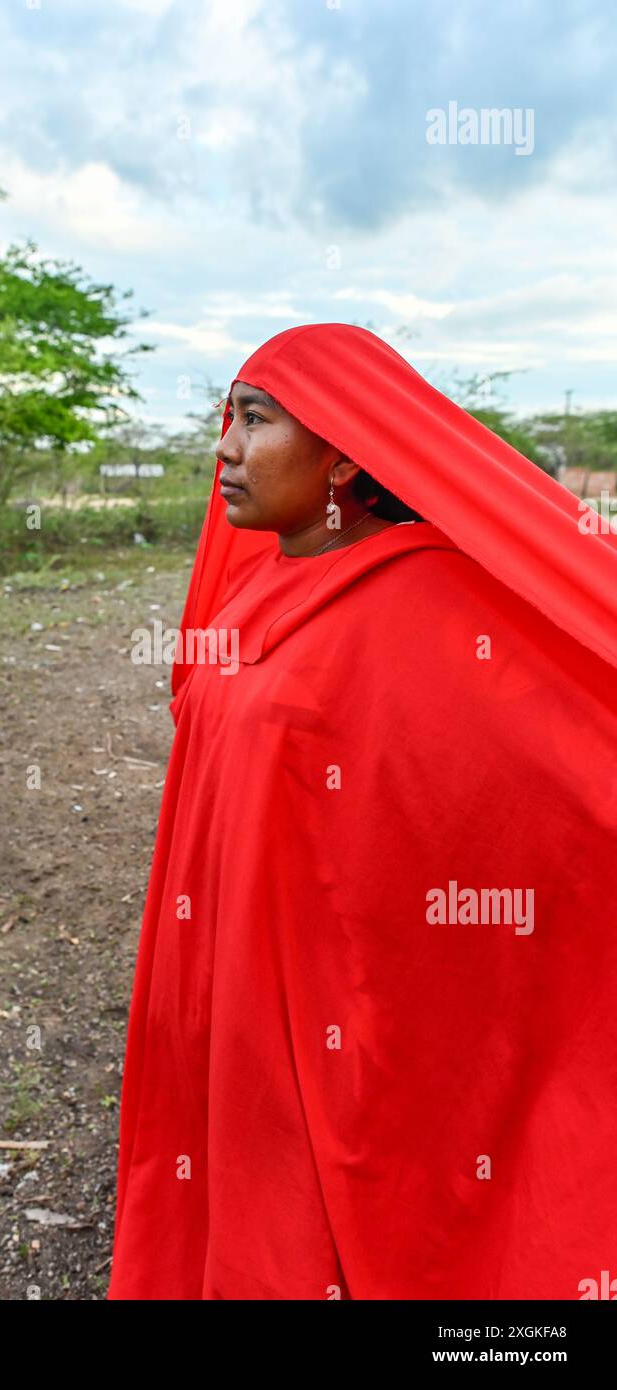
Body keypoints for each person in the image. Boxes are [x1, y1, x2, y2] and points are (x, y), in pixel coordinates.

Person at [107, 322, 617, 1301]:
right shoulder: (260, 586)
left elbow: (522, 766)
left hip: (331, 990)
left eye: (255, 419)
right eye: (226, 416)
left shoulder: (425, 593)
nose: (225, 446)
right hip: (231, 963)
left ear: (341, 449)